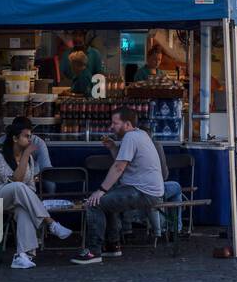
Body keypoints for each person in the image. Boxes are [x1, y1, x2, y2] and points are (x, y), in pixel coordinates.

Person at [70, 107, 166, 264]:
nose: (111, 127)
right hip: (146, 191)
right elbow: (125, 165)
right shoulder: (139, 134)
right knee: (108, 201)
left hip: (143, 192)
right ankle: (113, 245)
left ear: (127, 124)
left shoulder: (131, 138)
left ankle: (94, 252)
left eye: (115, 123)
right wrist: (114, 148)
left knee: (94, 204)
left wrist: (101, 191)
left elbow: (118, 168)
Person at [0, 122, 73, 268]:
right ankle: (50, 223)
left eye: (31, 136)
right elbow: (15, 181)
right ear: (15, 138)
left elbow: (30, 189)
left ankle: (22, 256)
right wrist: (26, 154)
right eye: (26, 136)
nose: (30, 140)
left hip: (14, 200)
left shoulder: (30, 161)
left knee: (24, 211)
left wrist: (27, 157)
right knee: (18, 186)